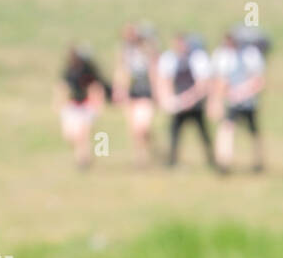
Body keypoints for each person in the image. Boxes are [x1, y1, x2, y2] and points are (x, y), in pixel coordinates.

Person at [210, 28, 266, 172]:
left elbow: (258, 80)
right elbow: (220, 80)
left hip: (249, 101)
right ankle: (224, 162)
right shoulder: (223, 55)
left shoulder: (251, 55)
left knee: (253, 132)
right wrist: (217, 100)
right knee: (226, 129)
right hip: (231, 101)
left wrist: (243, 91)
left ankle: (258, 161)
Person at [156, 32, 214, 167]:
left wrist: (190, 99)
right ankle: (172, 160)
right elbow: (165, 81)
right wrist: (171, 100)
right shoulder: (169, 59)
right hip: (178, 103)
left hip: (195, 103)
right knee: (174, 133)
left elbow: (203, 83)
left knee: (203, 133)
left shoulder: (197, 58)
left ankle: (211, 160)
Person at [56, 46, 109, 169]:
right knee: (69, 135)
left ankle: (83, 160)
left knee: (82, 135)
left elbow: (96, 87)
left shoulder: (89, 71)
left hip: (86, 105)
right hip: (73, 105)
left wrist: (97, 105)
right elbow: (62, 86)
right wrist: (59, 103)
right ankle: (81, 156)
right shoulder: (69, 70)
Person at [113, 22, 157, 166]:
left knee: (143, 127)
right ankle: (140, 157)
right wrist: (119, 90)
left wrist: (157, 92)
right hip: (131, 94)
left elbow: (154, 71)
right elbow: (120, 71)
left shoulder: (147, 50)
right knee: (134, 129)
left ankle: (149, 148)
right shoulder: (124, 51)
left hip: (146, 92)